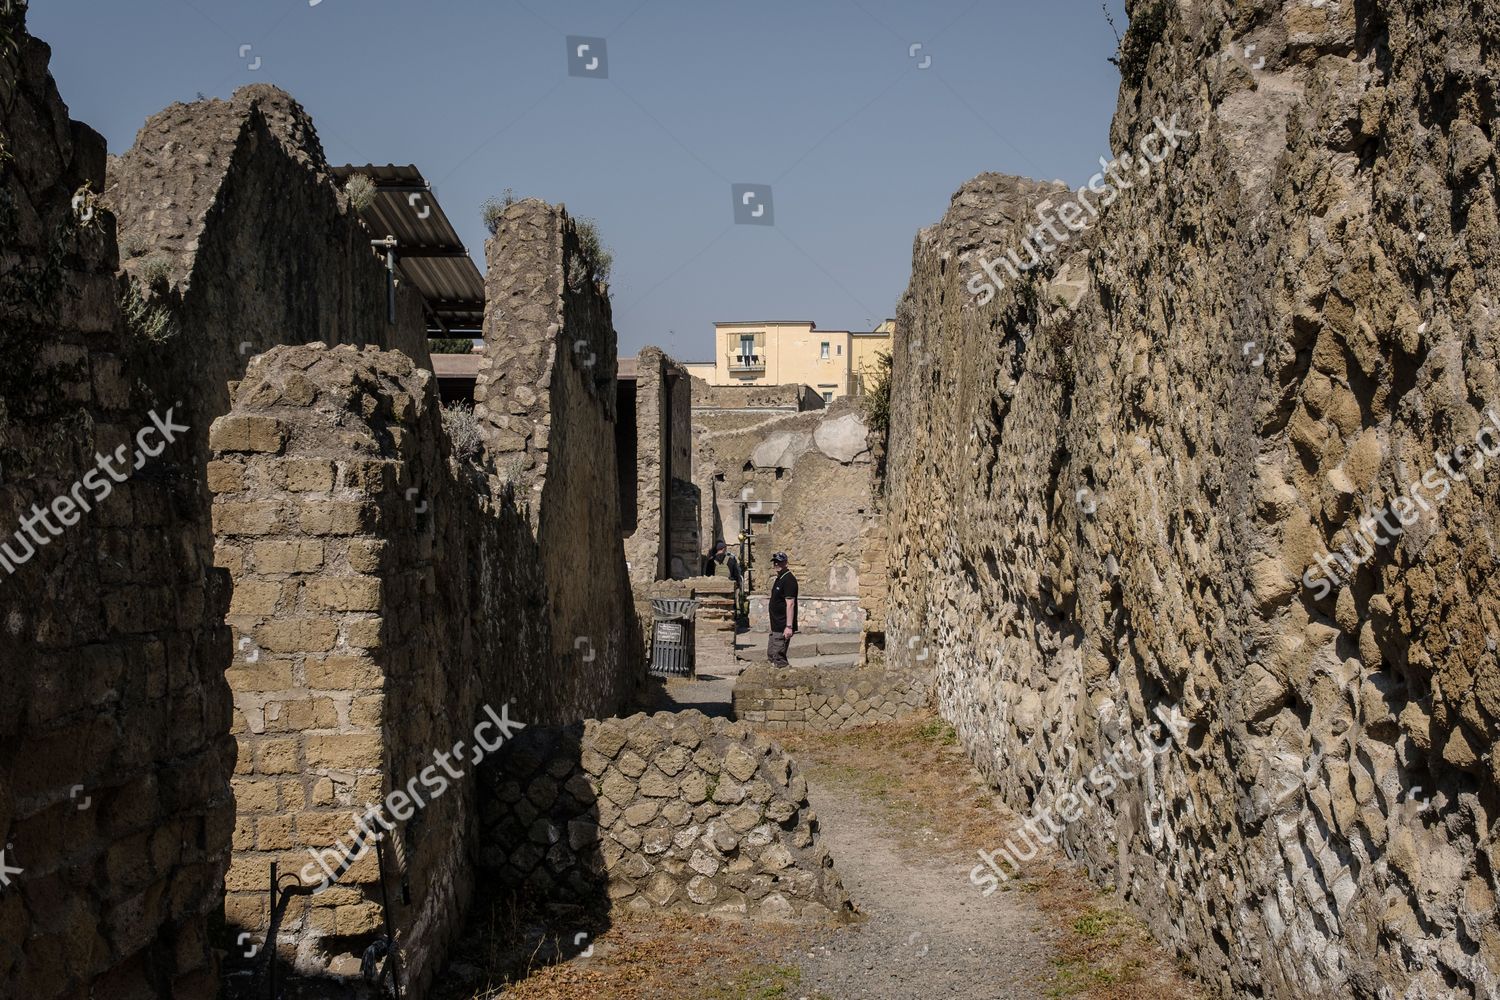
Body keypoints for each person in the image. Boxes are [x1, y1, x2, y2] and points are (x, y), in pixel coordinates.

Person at [767, 551, 798, 667]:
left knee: (779, 657)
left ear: (785, 563)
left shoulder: (789, 580)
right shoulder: (780, 578)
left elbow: (790, 604)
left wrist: (788, 627)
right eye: (775, 562)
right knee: (771, 655)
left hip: (782, 626)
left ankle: (785, 676)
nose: (776, 564)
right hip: (775, 626)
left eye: (779, 562)